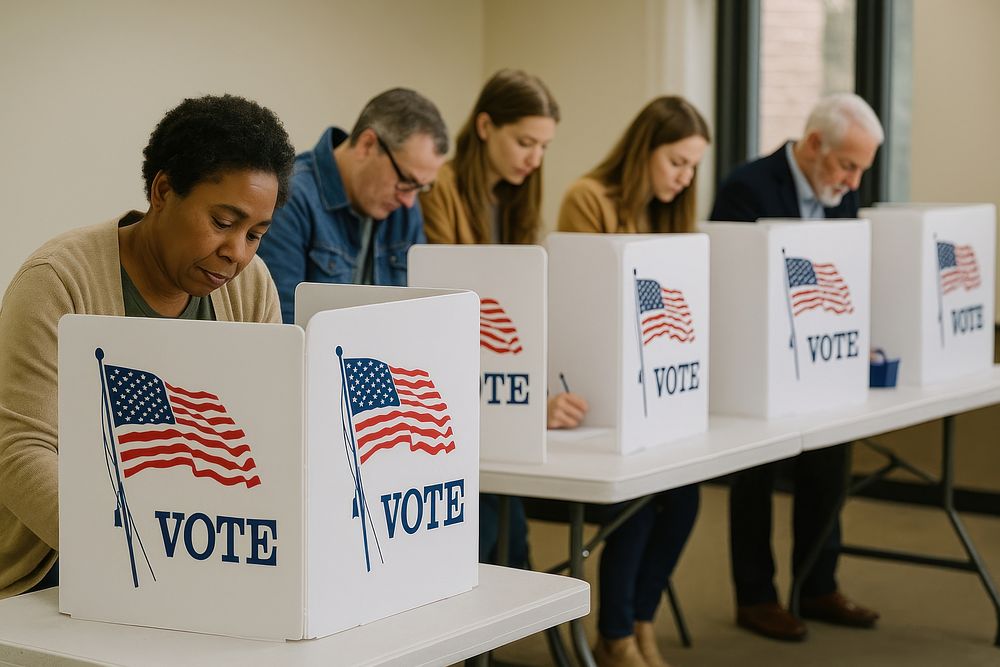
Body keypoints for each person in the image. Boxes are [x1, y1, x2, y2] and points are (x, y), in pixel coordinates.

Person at [0, 94, 295, 599]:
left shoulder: (251, 287)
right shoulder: (58, 281)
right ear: (162, 191)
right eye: (223, 223)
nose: (237, 253)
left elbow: (269, 438)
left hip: (208, 548)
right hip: (56, 561)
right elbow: (19, 453)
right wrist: (134, 549)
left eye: (256, 234)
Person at [710, 92, 884, 641]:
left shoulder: (842, 196)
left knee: (829, 472)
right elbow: (728, 277)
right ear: (813, 145)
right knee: (756, 480)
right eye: (847, 165)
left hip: (821, 358)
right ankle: (756, 597)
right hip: (761, 364)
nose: (854, 182)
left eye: (861, 169)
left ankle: (817, 585)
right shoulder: (748, 187)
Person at [557, 95, 709, 667]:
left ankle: (641, 621)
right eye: (676, 161)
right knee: (640, 500)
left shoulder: (671, 214)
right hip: (597, 390)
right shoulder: (588, 198)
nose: (684, 176)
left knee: (687, 495)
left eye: (693, 166)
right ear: (645, 149)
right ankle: (615, 635)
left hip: (654, 390)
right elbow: (584, 306)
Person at [420, 69, 589, 569]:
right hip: (458, 384)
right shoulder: (440, 190)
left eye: (543, 147)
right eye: (525, 142)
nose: (535, 159)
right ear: (486, 126)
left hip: (496, 393)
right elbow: (446, 306)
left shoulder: (516, 198)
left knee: (511, 534)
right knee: (494, 525)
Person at [257, 88, 448, 324]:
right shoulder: (293, 198)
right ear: (367, 144)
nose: (409, 202)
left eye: (421, 187)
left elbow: (420, 315)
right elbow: (281, 325)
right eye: (407, 181)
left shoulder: (405, 208)